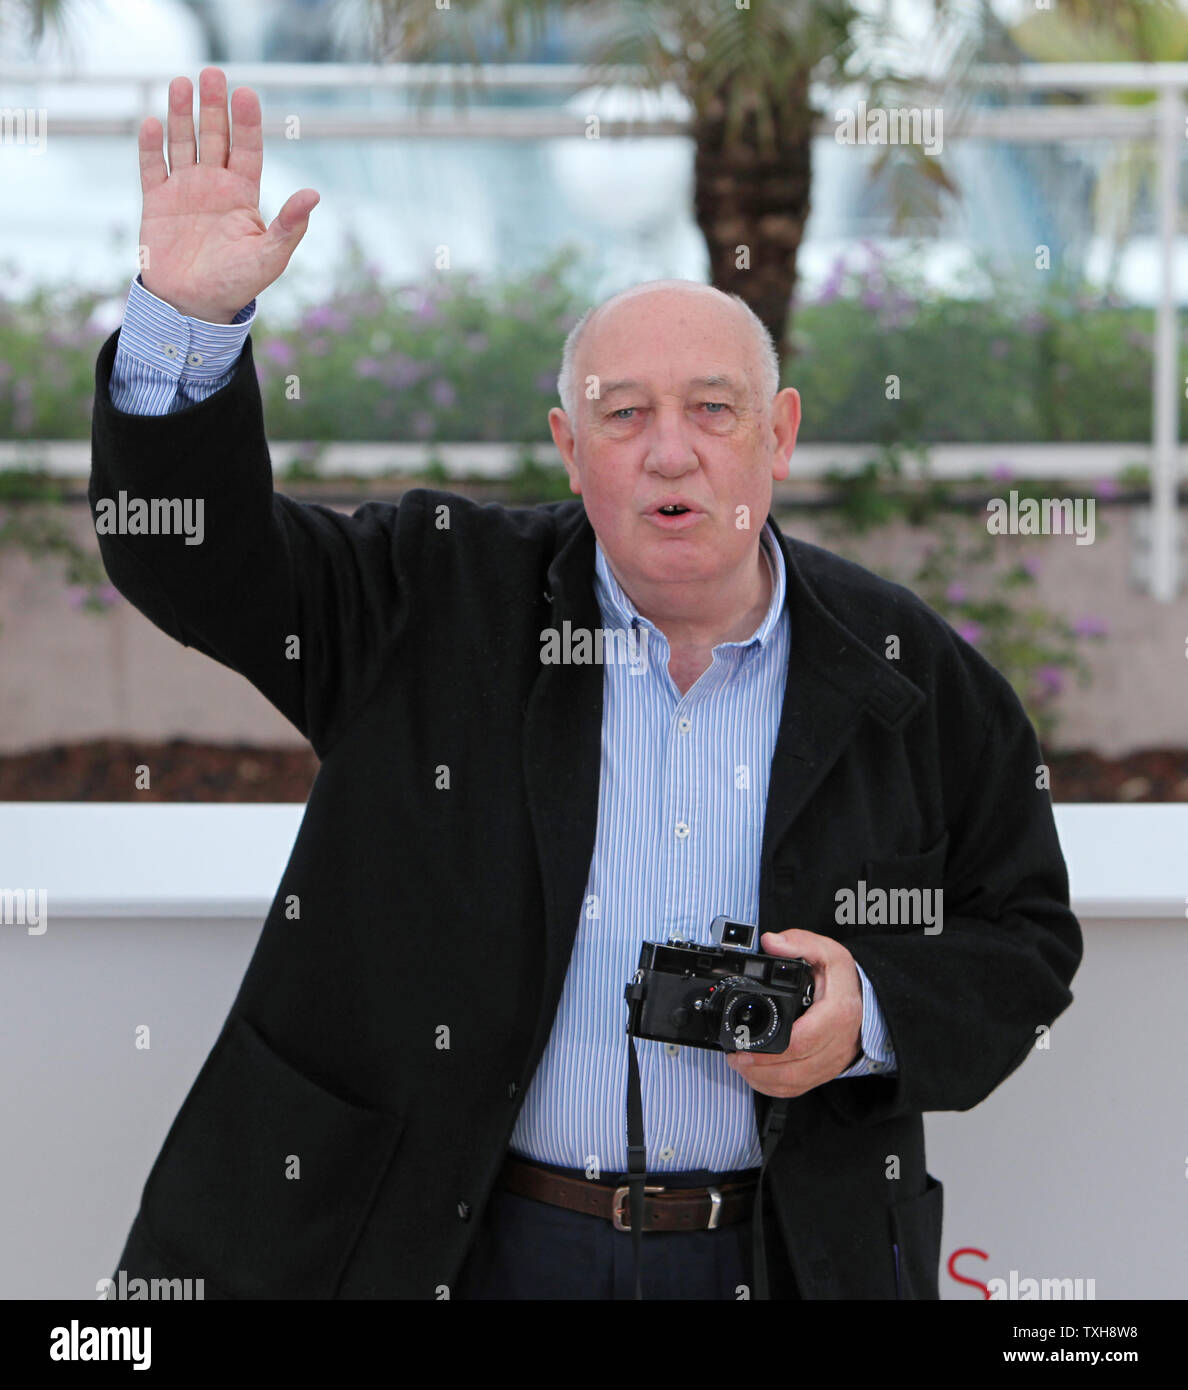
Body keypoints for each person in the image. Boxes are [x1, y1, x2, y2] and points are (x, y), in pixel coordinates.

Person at [91, 68, 1082, 1300]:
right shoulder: (432, 597)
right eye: (623, 415)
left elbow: (1023, 936)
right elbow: (195, 561)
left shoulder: (906, 669)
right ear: (569, 448)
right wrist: (187, 324)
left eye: (712, 409)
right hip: (459, 1245)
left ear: (777, 436)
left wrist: (866, 1013)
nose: (671, 451)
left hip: (778, 1254)